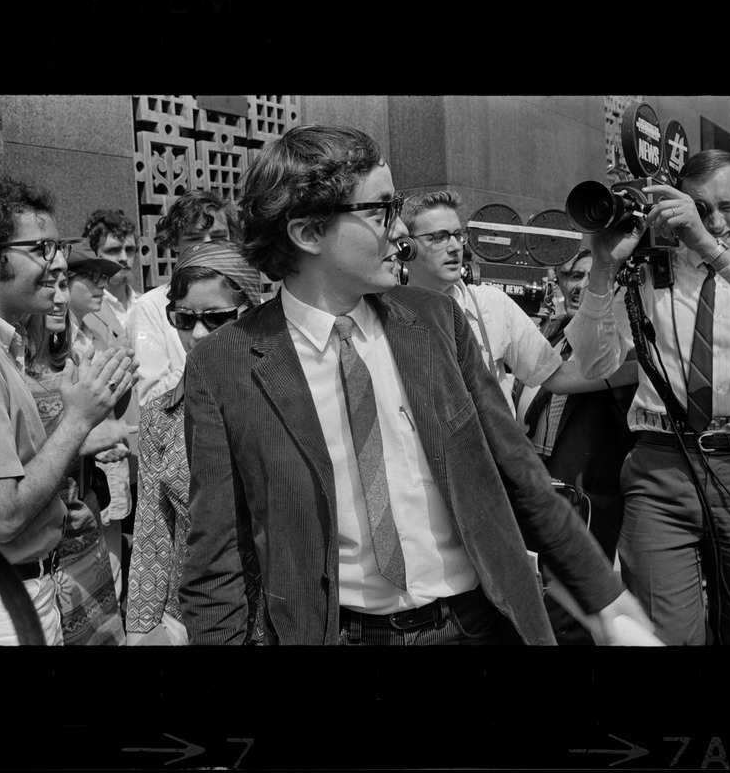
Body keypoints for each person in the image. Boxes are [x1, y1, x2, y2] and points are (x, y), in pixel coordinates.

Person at [178, 124, 656, 646]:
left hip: (478, 620)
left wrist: (610, 602)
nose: (400, 232)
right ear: (308, 232)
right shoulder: (223, 364)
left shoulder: (435, 322)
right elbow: (216, 558)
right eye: (380, 210)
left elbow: (521, 478)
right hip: (338, 631)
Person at [564, 149, 730, 646]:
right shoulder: (648, 275)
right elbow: (595, 364)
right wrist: (604, 267)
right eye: (698, 207)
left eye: (727, 207)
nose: (714, 221)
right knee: (666, 636)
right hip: (659, 469)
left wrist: (710, 248)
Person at [0, 174, 137, 646]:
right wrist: (78, 419)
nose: (59, 262)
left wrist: (53, 509)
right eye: (42, 248)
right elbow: (3, 517)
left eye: (58, 246)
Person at [125, 242, 262, 645]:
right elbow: (152, 534)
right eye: (183, 319)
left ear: (251, 312)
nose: (197, 334)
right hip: (193, 621)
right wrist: (141, 631)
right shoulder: (160, 418)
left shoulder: (287, 402)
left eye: (216, 319)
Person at [399, 190, 636, 415]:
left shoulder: (490, 304)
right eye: (438, 237)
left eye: (458, 235)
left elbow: (557, 376)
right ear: (405, 247)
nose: (454, 247)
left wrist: (647, 371)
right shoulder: (387, 315)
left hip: (490, 456)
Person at [514, 248, 638, 645]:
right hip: (535, 499)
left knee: (572, 621)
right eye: (571, 276)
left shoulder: (625, 350)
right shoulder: (545, 338)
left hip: (588, 507)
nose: (579, 286)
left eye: (590, 276)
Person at [21, 272, 129, 645]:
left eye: (65, 285)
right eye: (48, 286)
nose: (59, 298)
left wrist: (95, 498)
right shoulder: (8, 372)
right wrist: (82, 437)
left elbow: (93, 465)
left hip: (83, 542)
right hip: (35, 551)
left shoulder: (75, 363)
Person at [66, 240, 135, 606]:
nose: (100, 284)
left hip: (110, 465)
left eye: (102, 277)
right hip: (77, 476)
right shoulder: (53, 337)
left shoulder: (96, 328)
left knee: (113, 576)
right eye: (89, 277)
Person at [128, 191, 240, 407]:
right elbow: (149, 399)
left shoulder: (247, 297)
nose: (208, 247)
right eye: (194, 239)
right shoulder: (150, 308)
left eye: (218, 237)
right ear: (174, 244)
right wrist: (206, 360)